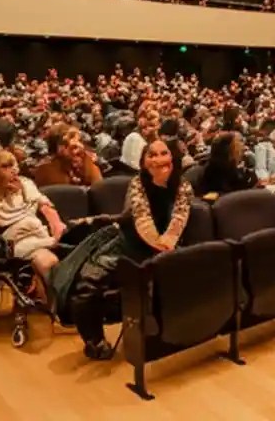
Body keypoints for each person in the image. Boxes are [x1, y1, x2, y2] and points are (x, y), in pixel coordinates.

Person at [53, 138, 192, 360]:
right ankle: (95, 340)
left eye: (163, 153)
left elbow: (178, 220)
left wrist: (167, 246)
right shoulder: (137, 184)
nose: (158, 159)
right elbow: (142, 221)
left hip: (168, 246)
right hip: (129, 244)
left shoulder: (183, 185)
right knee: (86, 287)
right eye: (151, 155)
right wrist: (161, 246)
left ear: (173, 158)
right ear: (143, 162)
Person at [0, 148, 64, 283]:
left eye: (14, 165)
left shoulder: (25, 184)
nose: (14, 171)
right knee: (47, 262)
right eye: (5, 167)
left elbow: (45, 206)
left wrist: (56, 225)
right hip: (9, 242)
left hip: (39, 232)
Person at [33, 123, 102, 187]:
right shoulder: (45, 170)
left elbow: (98, 188)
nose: (81, 147)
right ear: (60, 148)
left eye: (80, 141)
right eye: (74, 147)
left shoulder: (85, 160)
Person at [196, 131, 255, 197]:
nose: (244, 146)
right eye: (240, 141)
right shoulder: (217, 169)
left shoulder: (229, 165)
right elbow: (230, 194)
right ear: (229, 147)